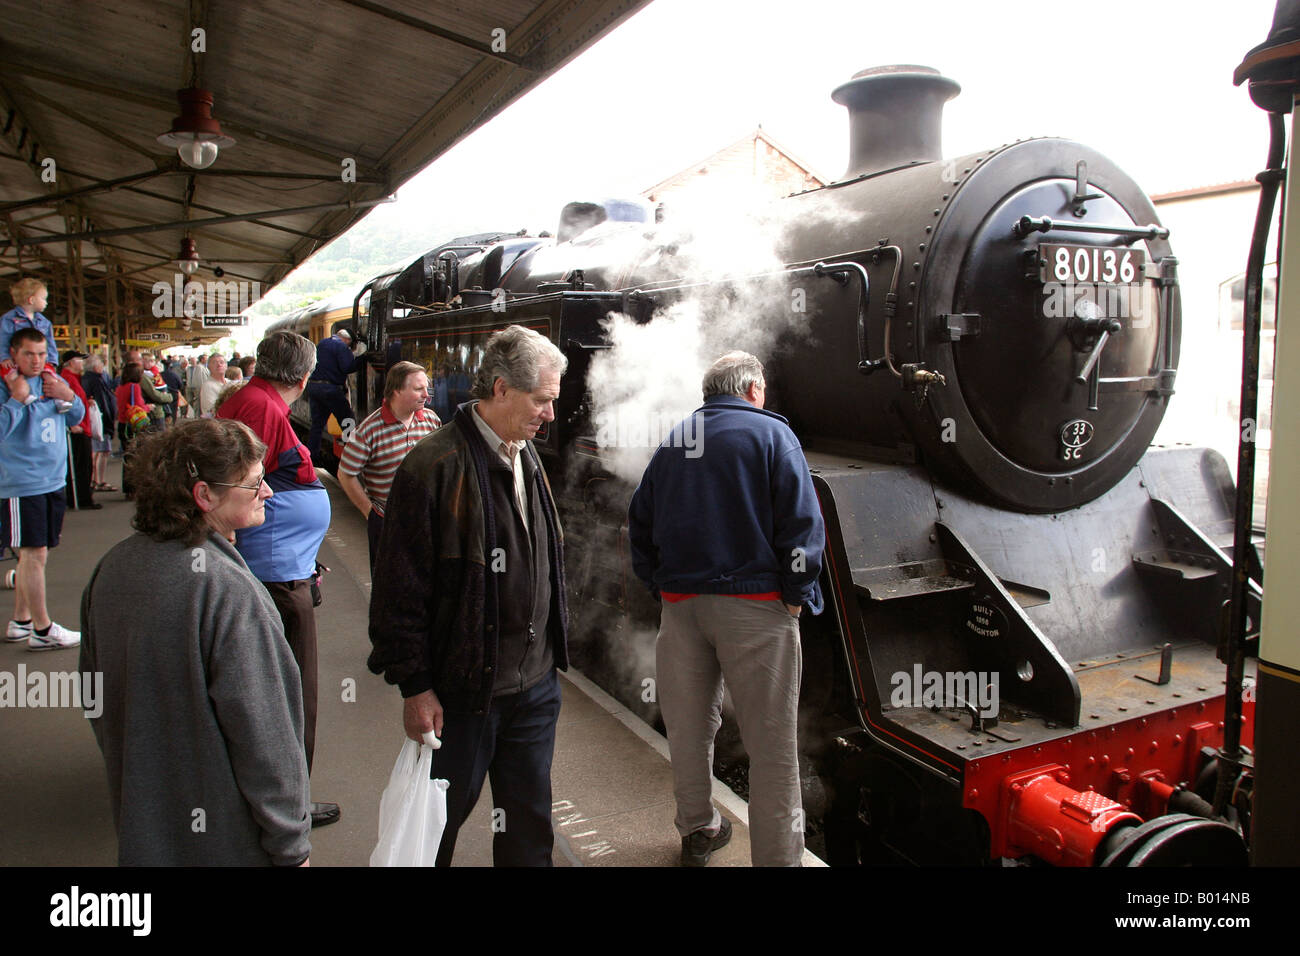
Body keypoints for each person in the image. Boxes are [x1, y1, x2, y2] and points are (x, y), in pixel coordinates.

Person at [368, 325, 569, 867]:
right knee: (437, 827)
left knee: (529, 828)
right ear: (501, 389)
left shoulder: (526, 453)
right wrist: (416, 686)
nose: (551, 413)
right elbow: (397, 592)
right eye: (542, 399)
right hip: (461, 692)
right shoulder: (432, 467)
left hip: (533, 687)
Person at [80, 418, 311, 866]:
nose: (268, 492)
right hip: (228, 842)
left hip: (144, 826)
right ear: (204, 495)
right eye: (254, 483)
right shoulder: (229, 592)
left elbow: (93, 696)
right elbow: (266, 739)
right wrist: (292, 845)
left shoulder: (111, 569)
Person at [628, 350, 825, 867]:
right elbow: (803, 526)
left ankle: (698, 829)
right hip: (755, 608)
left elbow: (639, 522)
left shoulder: (676, 439)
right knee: (772, 748)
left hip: (682, 607)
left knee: (690, 729)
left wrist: (660, 584)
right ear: (753, 389)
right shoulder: (773, 436)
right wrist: (796, 595)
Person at [217, 331, 338, 827]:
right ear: (304, 376)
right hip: (276, 577)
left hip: (284, 567)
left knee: (285, 684)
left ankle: (284, 794)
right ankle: (289, 804)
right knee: (293, 688)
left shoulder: (255, 399)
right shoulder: (262, 407)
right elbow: (243, 487)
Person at [1, 327, 84, 650]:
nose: (36, 361)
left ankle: (21, 620)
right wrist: (16, 401)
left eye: (41, 353)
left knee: (36, 555)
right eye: (28, 354)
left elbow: (75, 419)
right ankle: (42, 629)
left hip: (53, 479)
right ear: (13, 355)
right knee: (32, 554)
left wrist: (69, 396)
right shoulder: (8, 386)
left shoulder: (52, 382)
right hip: (23, 484)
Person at [338, 361, 439, 569]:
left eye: (426, 388)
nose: (426, 395)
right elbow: (345, 474)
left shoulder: (431, 421)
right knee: (390, 588)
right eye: (418, 389)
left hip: (426, 521)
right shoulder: (369, 431)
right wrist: (370, 513)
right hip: (388, 523)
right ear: (396, 390)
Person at [305, 326, 361, 466]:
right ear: (347, 340)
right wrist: (363, 359)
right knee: (348, 420)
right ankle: (354, 453)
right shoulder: (341, 346)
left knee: (317, 425)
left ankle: (312, 458)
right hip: (330, 389)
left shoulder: (322, 343)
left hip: (313, 386)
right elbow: (348, 367)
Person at [58, 349, 99, 510]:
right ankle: (81, 498)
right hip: (78, 429)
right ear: (71, 363)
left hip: (83, 427)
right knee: (81, 465)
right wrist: (70, 424)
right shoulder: (66, 379)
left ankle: (82, 496)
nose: (82, 363)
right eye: (79, 360)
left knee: (84, 464)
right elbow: (62, 402)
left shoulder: (74, 379)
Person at [1, 277, 59, 367]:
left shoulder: (45, 322)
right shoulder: (9, 319)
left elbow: (50, 343)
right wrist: (5, 357)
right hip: (15, 363)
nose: (46, 303)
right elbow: (3, 339)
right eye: (44, 299)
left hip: (40, 364)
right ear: (31, 300)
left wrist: (52, 361)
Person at [83, 354, 118, 492]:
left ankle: (93, 480)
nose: (103, 367)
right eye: (101, 365)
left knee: (95, 452)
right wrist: (110, 420)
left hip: (93, 421)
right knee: (102, 451)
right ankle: (99, 481)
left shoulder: (85, 379)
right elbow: (104, 402)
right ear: (96, 366)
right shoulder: (97, 381)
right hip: (100, 421)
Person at [114, 364, 149, 499]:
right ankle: (134, 487)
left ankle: (129, 488)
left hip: (123, 423)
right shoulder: (134, 387)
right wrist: (148, 407)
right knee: (136, 455)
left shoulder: (120, 387)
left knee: (128, 455)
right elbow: (138, 405)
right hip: (133, 426)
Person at [198, 353, 227, 417]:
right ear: (209, 367)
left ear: (226, 366)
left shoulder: (230, 382)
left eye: (222, 362)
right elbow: (213, 409)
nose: (219, 365)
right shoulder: (207, 386)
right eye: (214, 363)